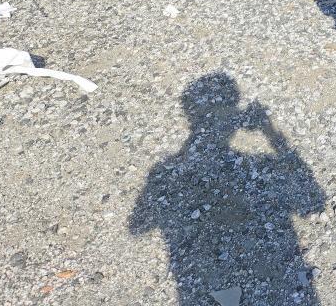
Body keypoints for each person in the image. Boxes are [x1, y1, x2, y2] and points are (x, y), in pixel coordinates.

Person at [130, 73, 324, 305]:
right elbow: (312, 202)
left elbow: (138, 226)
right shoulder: (262, 163)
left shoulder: (162, 172)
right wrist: (269, 132)